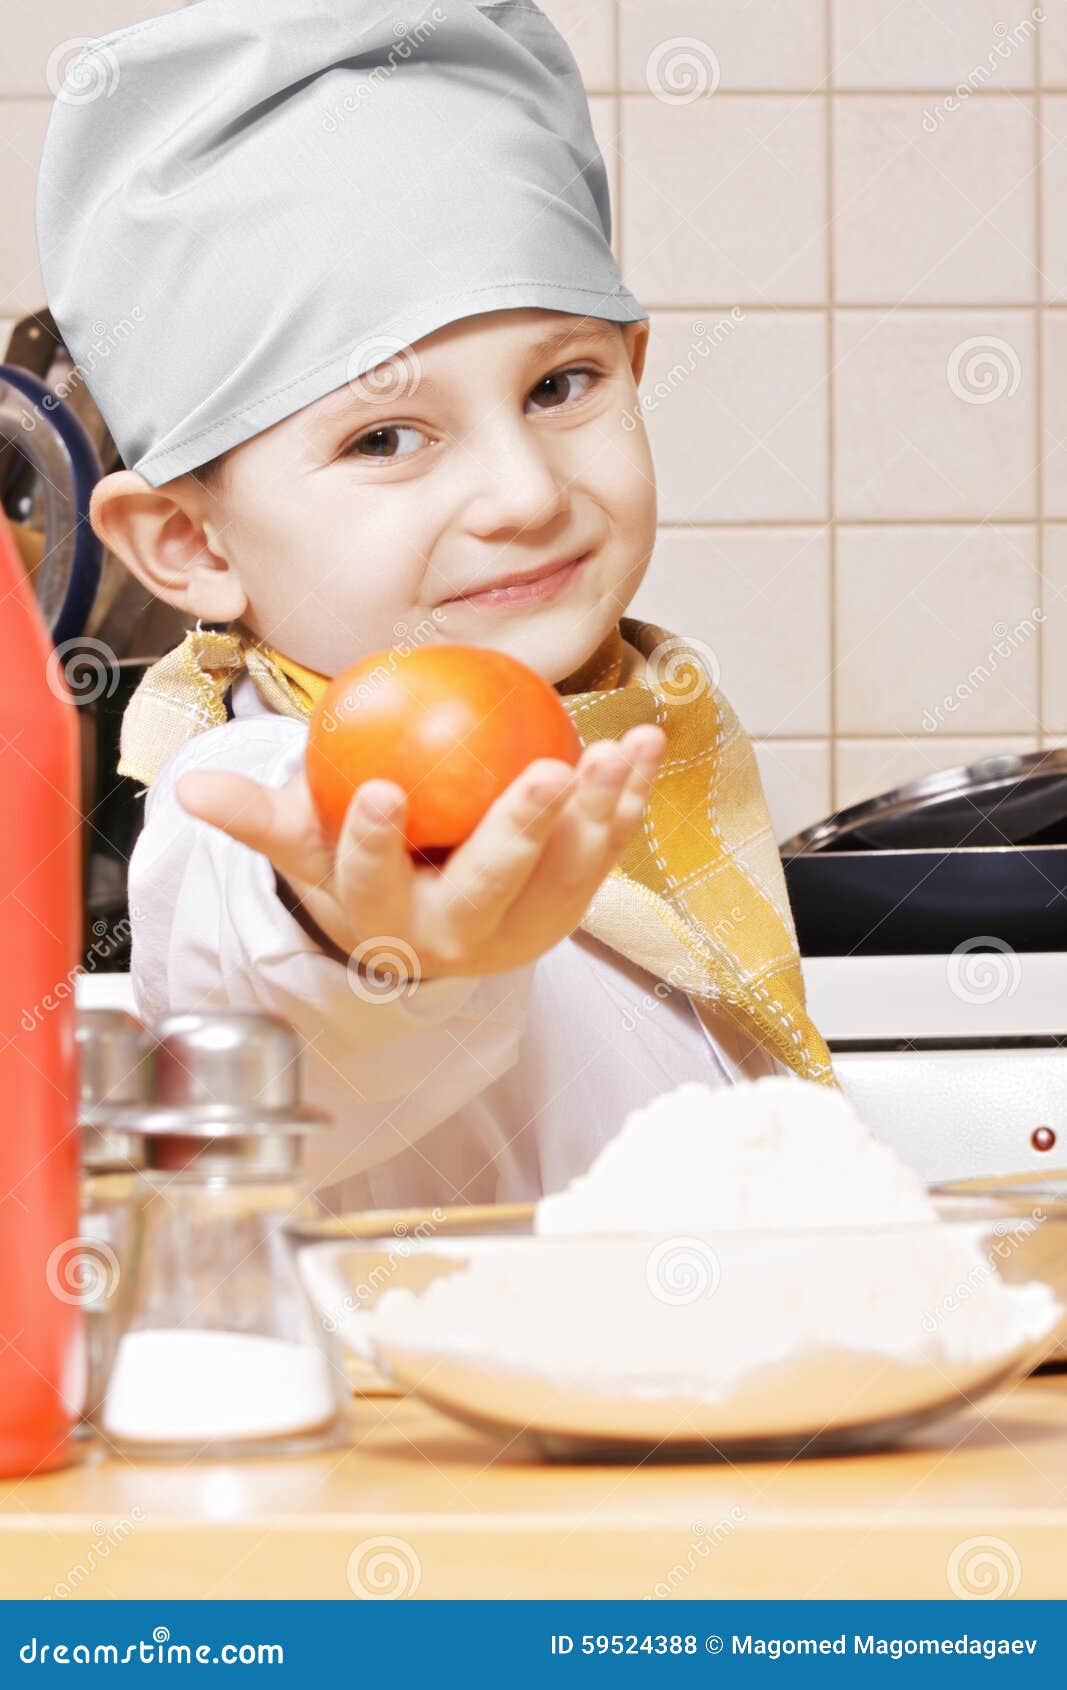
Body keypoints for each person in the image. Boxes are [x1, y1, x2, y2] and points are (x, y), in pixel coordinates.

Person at [36, 0, 832, 1213]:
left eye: (560, 384)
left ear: (635, 366)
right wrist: (365, 940)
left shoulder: (635, 733)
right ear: (190, 543)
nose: (523, 492)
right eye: (386, 436)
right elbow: (272, 987)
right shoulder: (253, 796)